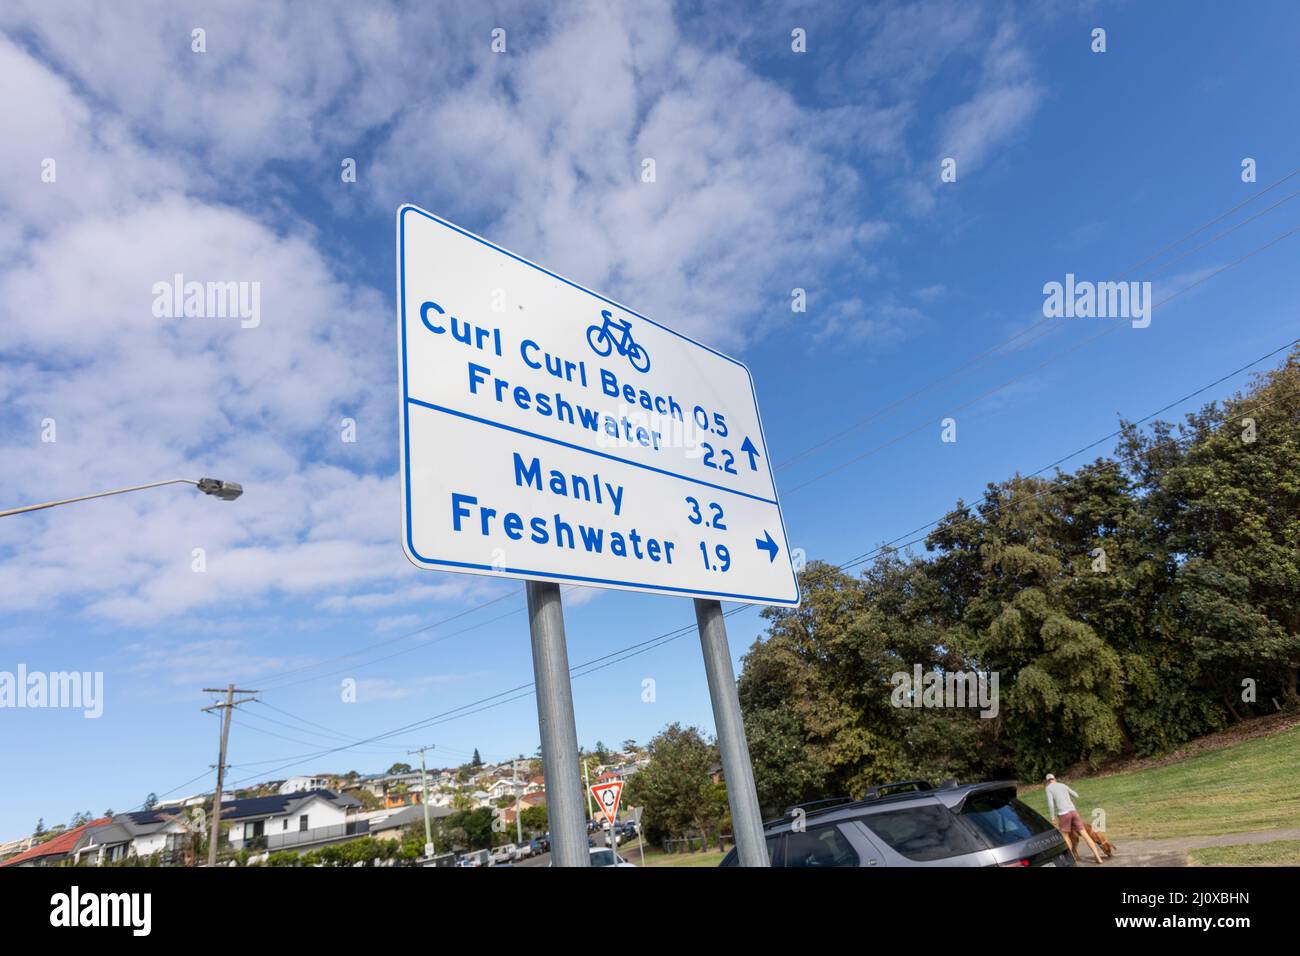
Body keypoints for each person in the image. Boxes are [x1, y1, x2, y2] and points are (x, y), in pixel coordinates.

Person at [1045, 773, 1103, 864]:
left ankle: (1071, 860)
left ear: (1047, 781)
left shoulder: (1048, 788)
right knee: (1086, 836)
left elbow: (1051, 804)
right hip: (1074, 812)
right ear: (1054, 778)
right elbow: (1076, 795)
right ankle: (1098, 858)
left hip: (1063, 814)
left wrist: (1052, 818)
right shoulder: (1063, 785)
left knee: (1066, 837)